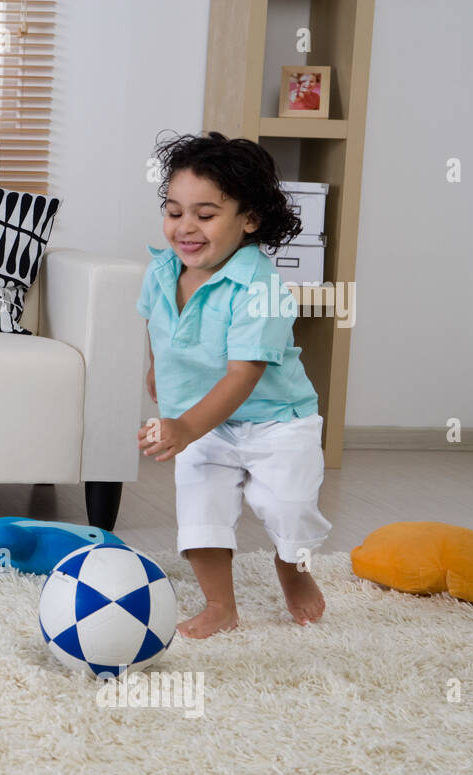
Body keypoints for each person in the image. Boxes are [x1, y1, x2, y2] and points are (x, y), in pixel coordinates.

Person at [136, 131, 330, 639]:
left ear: (248, 219)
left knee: (290, 510)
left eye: (205, 214)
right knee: (199, 513)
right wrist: (156, 367)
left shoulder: (259, 288)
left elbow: (244, 374)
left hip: (275, 424)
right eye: (175, 212)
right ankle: (220, 604)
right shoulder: (160, 272)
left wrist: (184, 425)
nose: (186, 227)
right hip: (203, 425)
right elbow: (157, 326)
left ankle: (293, 569)